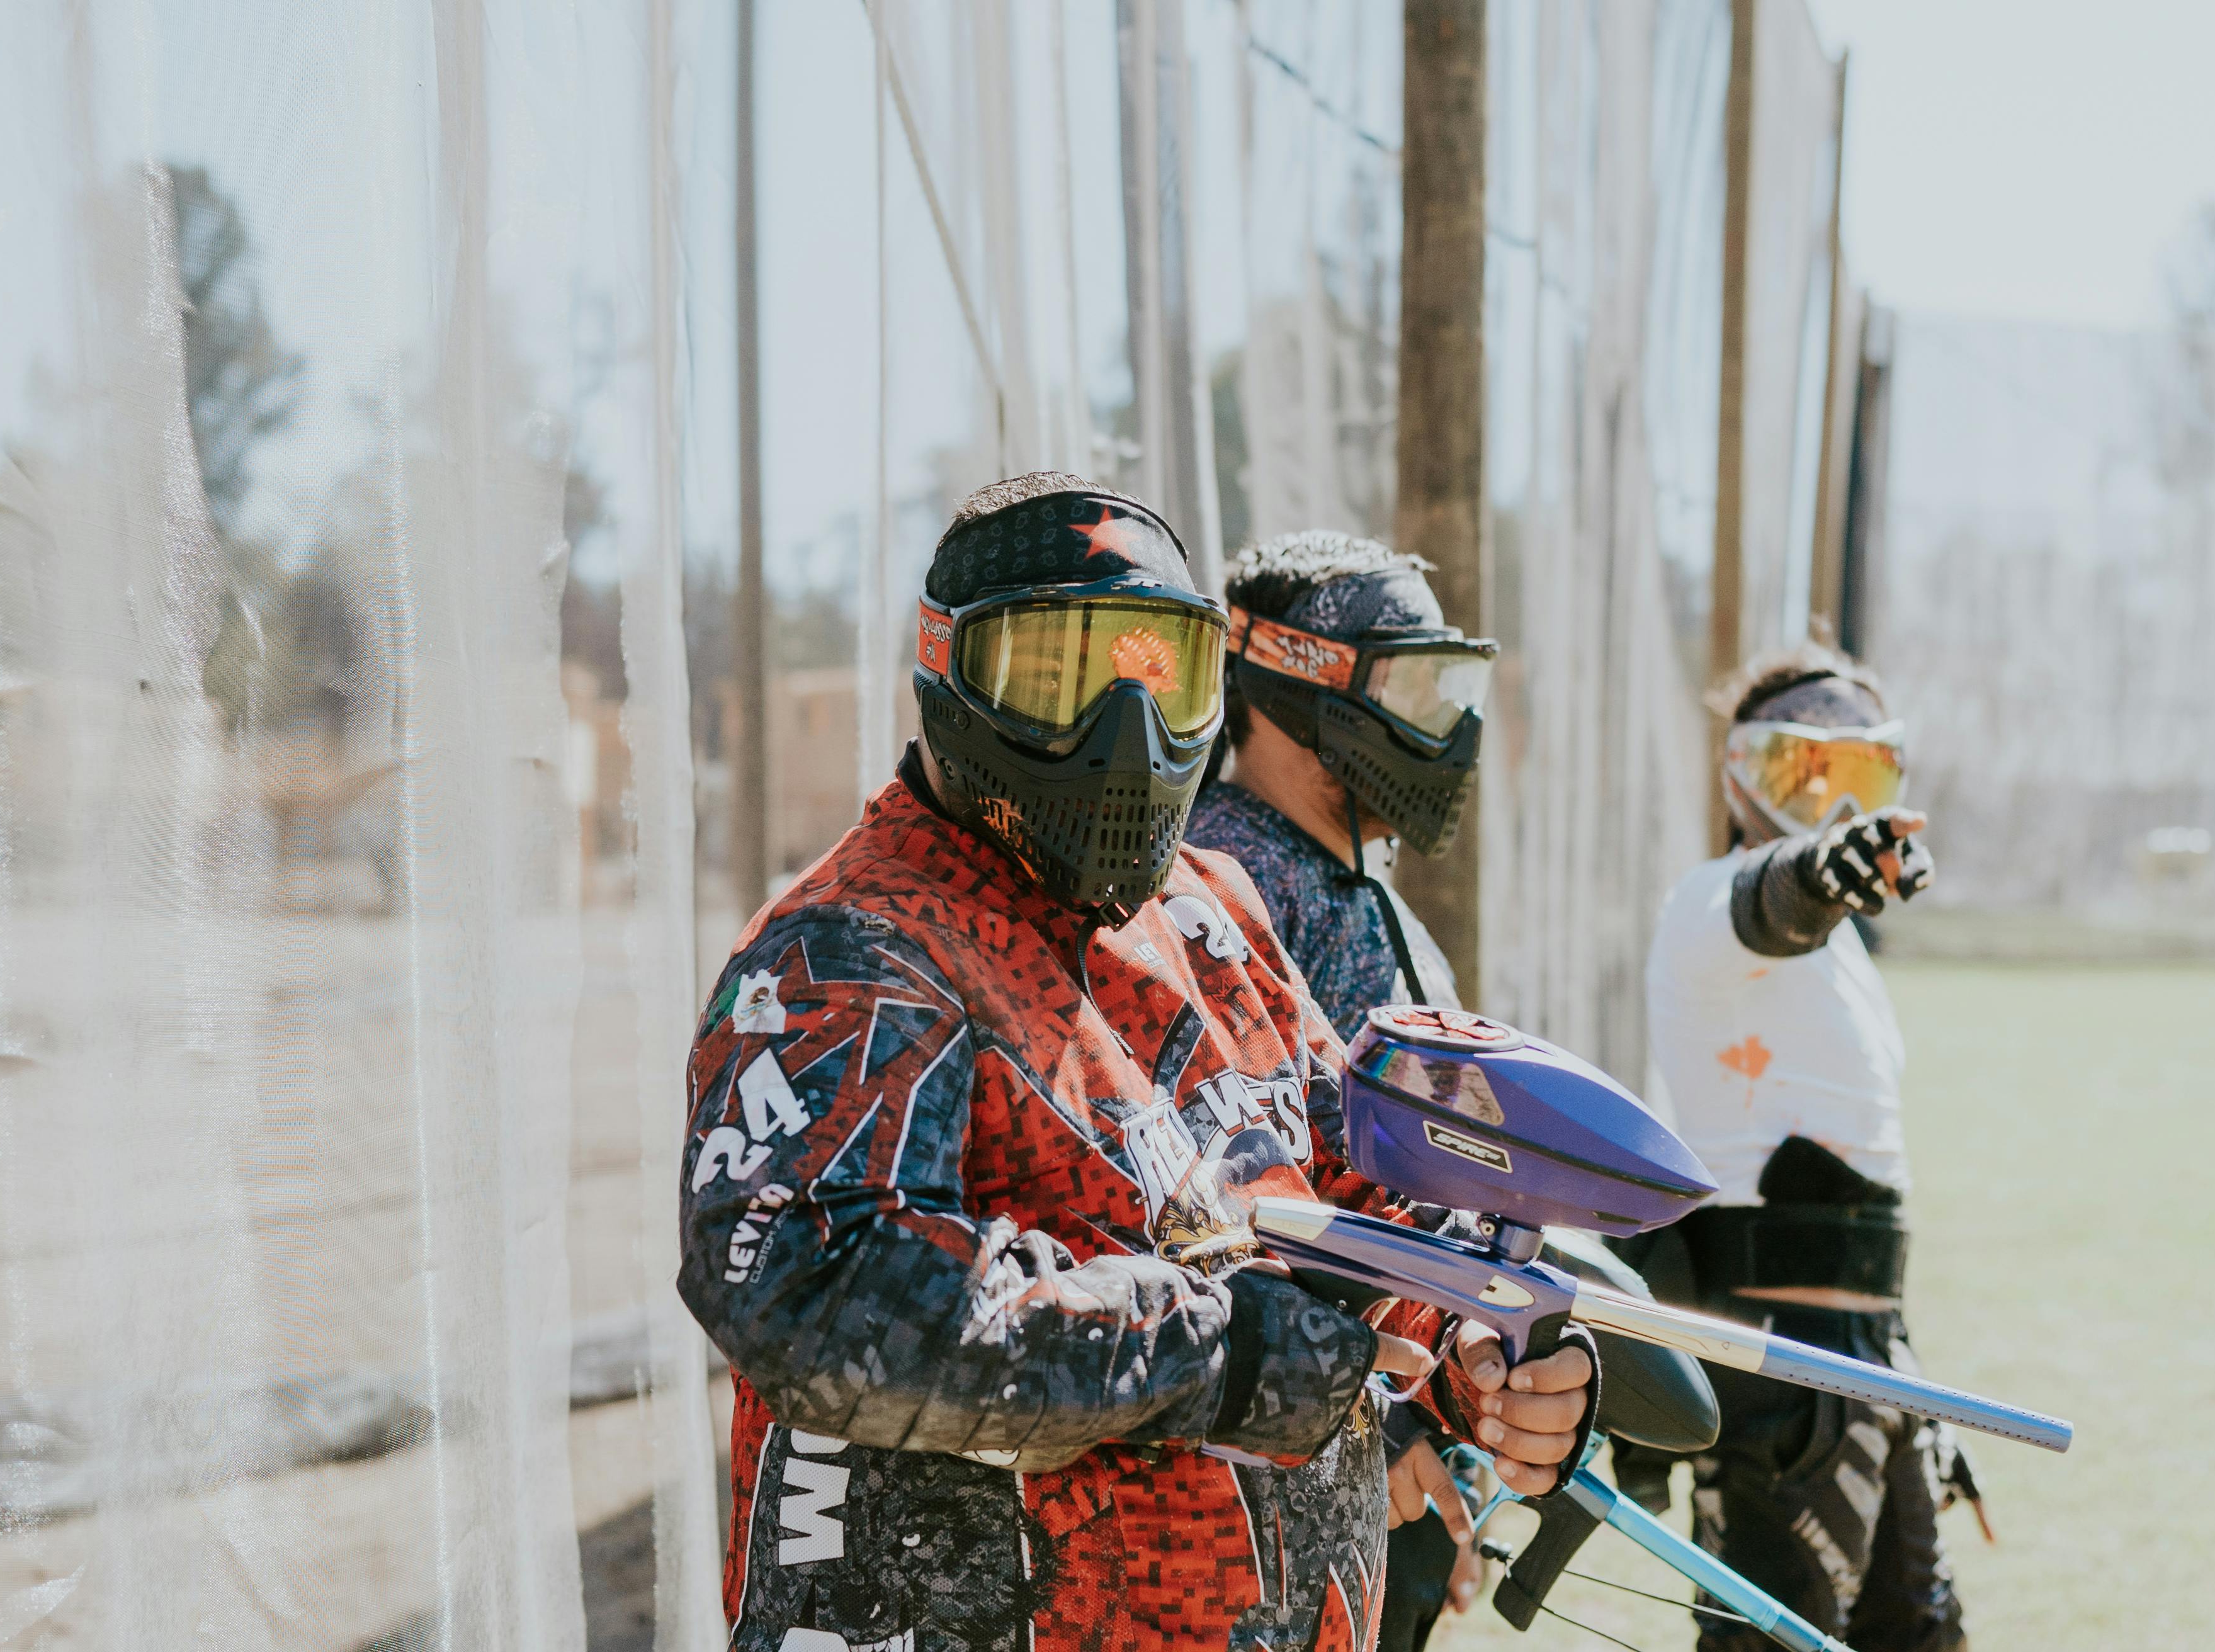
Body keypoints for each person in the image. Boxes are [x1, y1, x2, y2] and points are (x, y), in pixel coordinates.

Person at [679, 473, 1597, 1652]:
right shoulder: (854, 946)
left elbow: (1356, 1191)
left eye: (1162, 679)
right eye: (1056, 679)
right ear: (946, 674)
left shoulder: (1211, 910)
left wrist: (1476, 1353)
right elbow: (807, 1287)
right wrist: (1212, 1350)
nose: (1124, 738)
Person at [1183, 532, 1495, 1647]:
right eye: (1410, 687)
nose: (1446, 728)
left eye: (1451, 689)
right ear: (1292, 688)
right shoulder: (1230, 883)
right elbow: (1217, 1194)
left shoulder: (1355, 883)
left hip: (1395, 1420)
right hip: (1302, 1439)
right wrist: (1381, 1405)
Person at [1638, 642, 1972, 1652]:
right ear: (1741, 773)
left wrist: (1899, 1360)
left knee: (1916, 1634)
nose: (1829, 808)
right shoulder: (1711, 903)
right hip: (1784, 1377)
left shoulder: (1844, 957)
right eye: (1800, 773)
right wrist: (1820, 871)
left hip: (1866, 1359)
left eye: (1857, 778)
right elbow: (1773, 900)